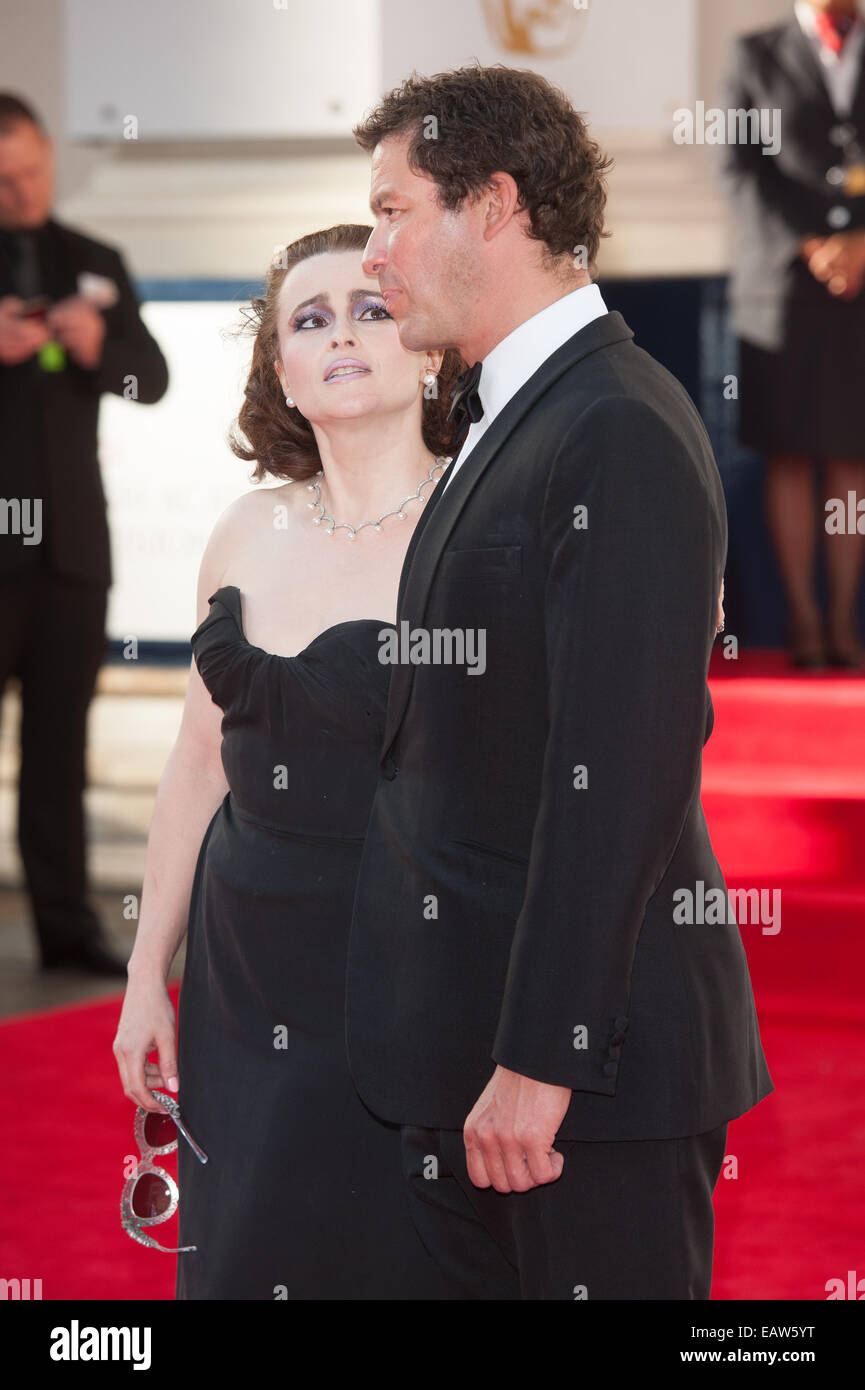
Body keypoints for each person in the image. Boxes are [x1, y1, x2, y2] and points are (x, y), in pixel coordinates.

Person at [345, 64, 775, 1301]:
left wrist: (545, 1059)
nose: (372, 252)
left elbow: (623, 770)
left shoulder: (616, 425)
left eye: (390, 211)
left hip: (579, 1089)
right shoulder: (512, 412)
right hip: (468, 1060)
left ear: (492, 204)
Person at [113, 223, 464, 1298]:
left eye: (369, 306)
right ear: (280, 368)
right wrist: (145, 970)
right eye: (308, 320)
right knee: (250, 1249)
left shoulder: (481, 518)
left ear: (430, 345)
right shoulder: (246, 528)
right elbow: (197, 761)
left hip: (414, 961)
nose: (342, 334)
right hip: (244, 961)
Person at [0, 93, 169, 974]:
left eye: (31, 170)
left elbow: (153, 381)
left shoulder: (94, 259)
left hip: (70, 556)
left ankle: (67, 932)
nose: (21, 189)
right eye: (3, 179)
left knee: (60, 754)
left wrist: (102, 343)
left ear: (50, 156)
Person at [723, 1, 865, 668]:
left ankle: (842, 622)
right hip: (780, 289)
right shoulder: (753, 54)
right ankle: (803, 625)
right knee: (788, 452)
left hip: (860, 289)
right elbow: (740, 170)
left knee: (850, 456)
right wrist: (812, 243)